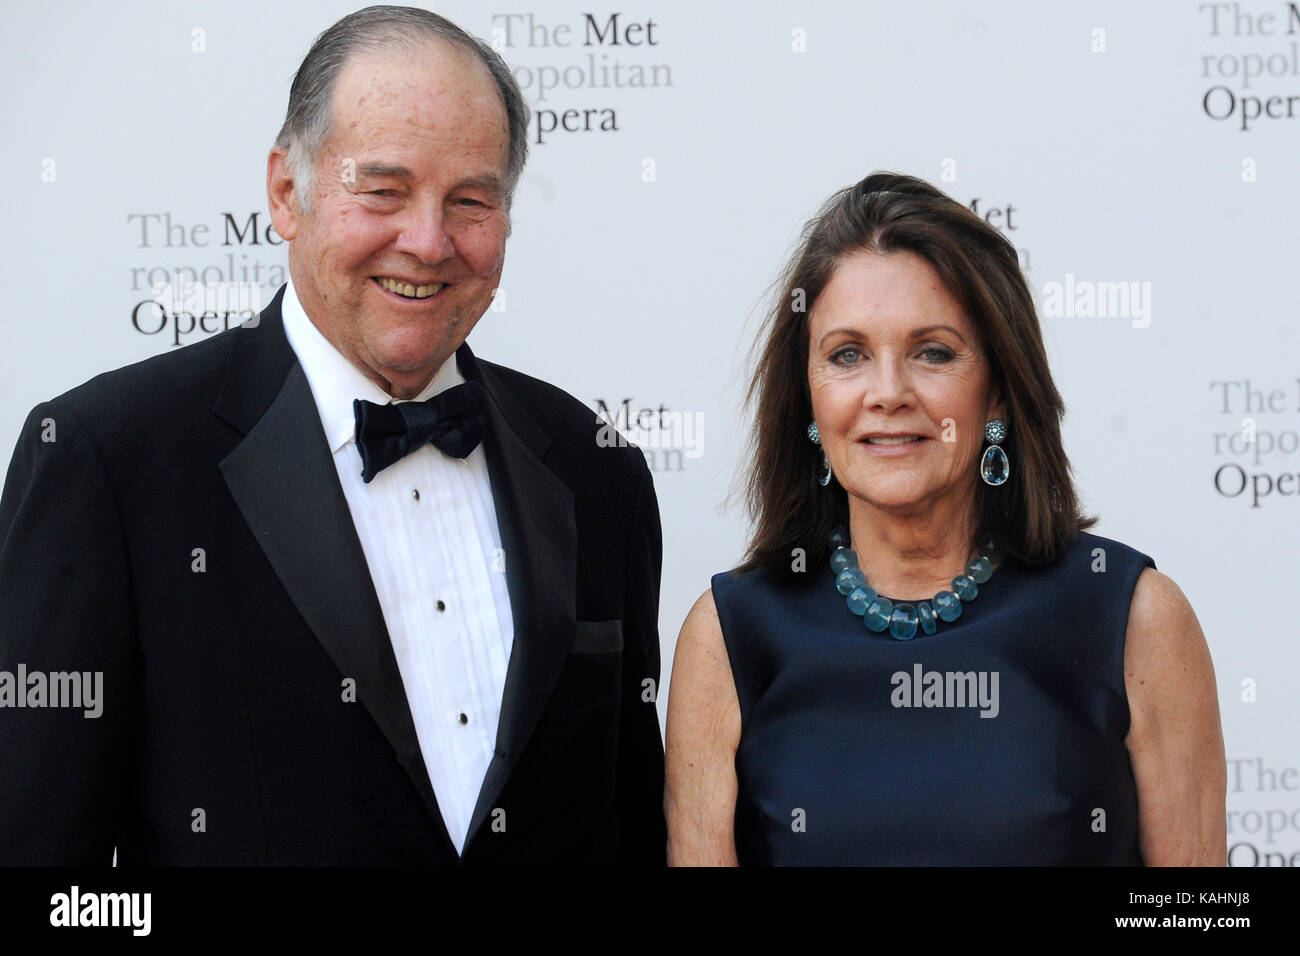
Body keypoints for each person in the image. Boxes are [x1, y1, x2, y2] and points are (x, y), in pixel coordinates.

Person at [0, 6, 665, 865]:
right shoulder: (107, 458)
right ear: (287, 191)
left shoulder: (595, 464)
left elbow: (632, 826)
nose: (427, 243)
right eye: (383, 191)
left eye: (470, 201)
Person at [664, 172, 1226, 866]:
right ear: (808, 399)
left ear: (997, 395)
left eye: (933, 352)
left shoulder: (1134, 618)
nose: (889, 393)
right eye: (848, 356)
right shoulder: (729, 640)